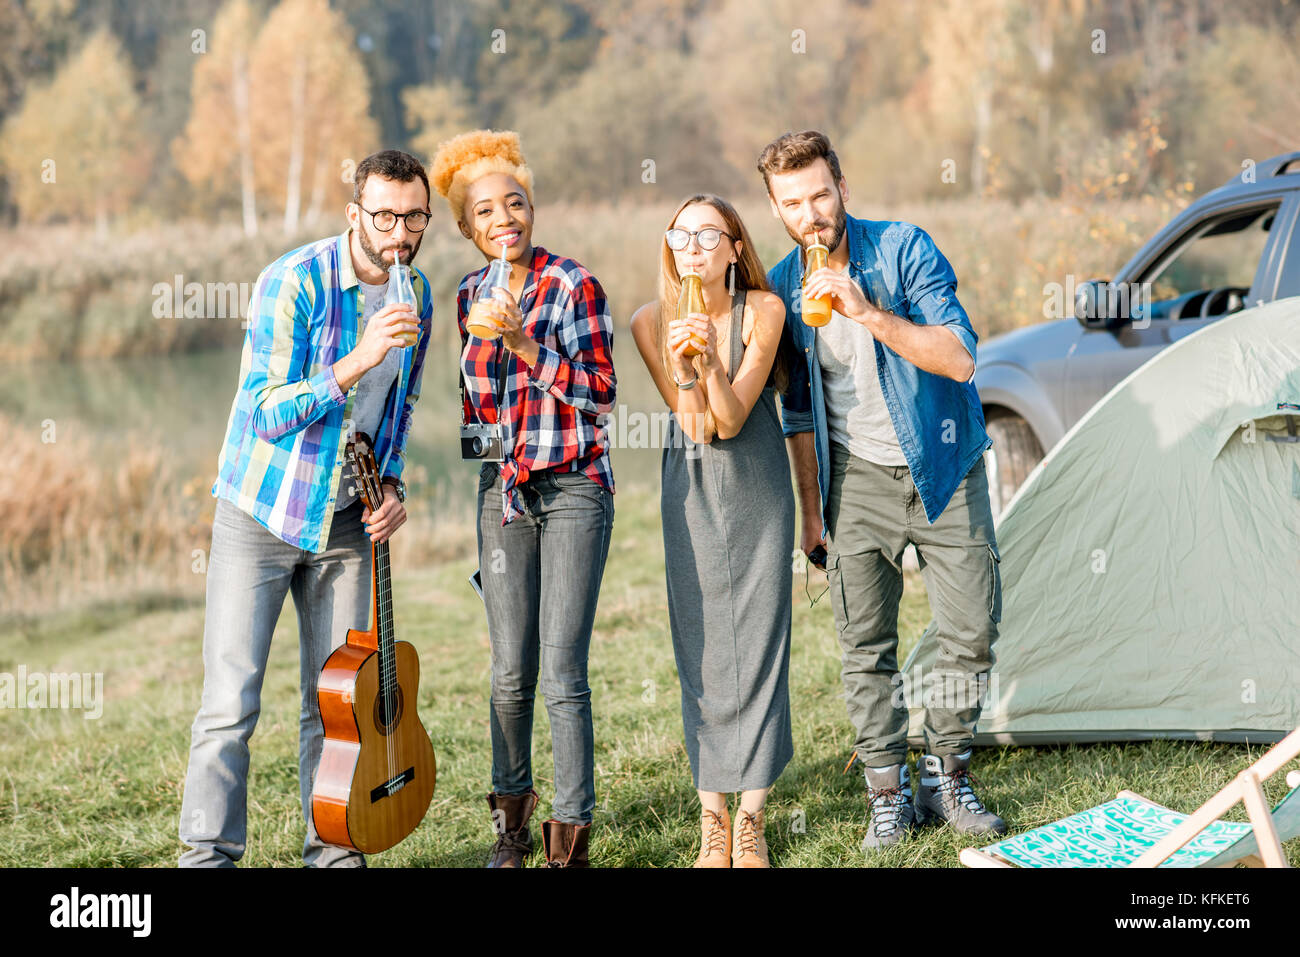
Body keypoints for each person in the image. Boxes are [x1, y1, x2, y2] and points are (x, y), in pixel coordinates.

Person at [178, 149, 434, 867]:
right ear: (355, 213)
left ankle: (333, 852)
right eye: (384, 214)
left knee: (339, 706)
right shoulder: (293, 280)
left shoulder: (421, 295)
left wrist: (392, 486)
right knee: (230, 705)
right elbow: (263, 411)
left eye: (415, 216)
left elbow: (399, 412)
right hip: (262, 514)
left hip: (349, 522)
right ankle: (206, 858)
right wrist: (356, 358)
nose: (400, 231)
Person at [758, 130, 1007, 851]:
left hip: (943, 461)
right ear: (778, 210)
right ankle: (887, 794)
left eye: (820, 195)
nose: (811, 214)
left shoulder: (904, 248)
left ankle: (947, 772)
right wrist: (812, 514)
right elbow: (797, 412)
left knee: (970, 628)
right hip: (855, 481)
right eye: (793, 203)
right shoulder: (782, 284)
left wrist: (867, 313)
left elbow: (960, 357)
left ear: (842, 186)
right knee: (865, 644)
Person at [430, 129, 616, 868]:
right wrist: (484, 474)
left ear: (531, 207)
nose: (503, 217)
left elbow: (601, 396)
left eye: (515, 202)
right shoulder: (468, 297)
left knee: (563, 670)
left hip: (573, 485)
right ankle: (509, 825)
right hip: (503, 494)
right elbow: (475, 415)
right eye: (485, 211)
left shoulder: (574, 285)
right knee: (510, 671)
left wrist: (528, 348)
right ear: (469, 228)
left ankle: (568, 843)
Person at [629, 195, 793, 868]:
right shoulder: (650, 321)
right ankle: (712, 818)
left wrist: (712, 365)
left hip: (756, 482)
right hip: (691, 486)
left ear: (734, 246)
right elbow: (695, 426)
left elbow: (731, 419)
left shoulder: (766, 311)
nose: (691, 245)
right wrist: (685, 369)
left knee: (759, 639)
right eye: (679, 234)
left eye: (707, 234)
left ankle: (751, 818)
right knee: (698, 640)